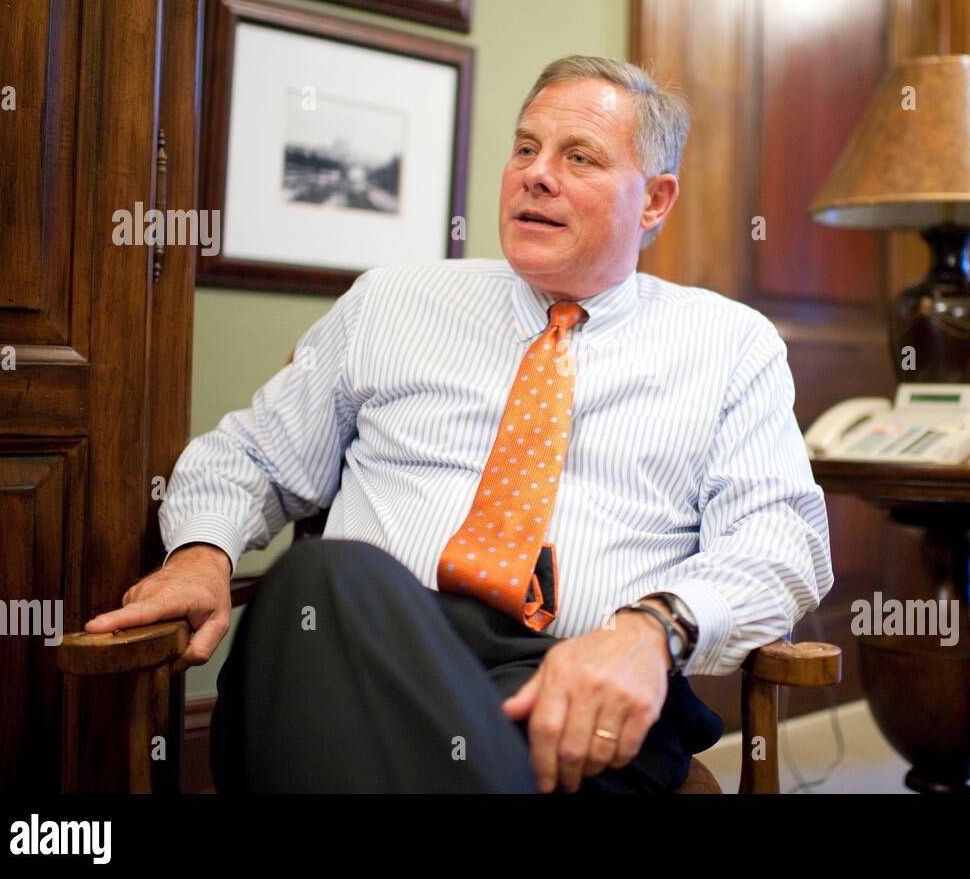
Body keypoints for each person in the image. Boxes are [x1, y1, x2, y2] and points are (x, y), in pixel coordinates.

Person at [84, 55, 834, 793]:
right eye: (526, 148)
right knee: (321, 577)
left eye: (580, 157)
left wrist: (651, 630)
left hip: (572, 683)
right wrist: (202, 550)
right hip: (366, 654)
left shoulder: (730, 344)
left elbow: (781, 540)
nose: (537, 174)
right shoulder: (391, 304)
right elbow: (251, 452)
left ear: (655, 201)